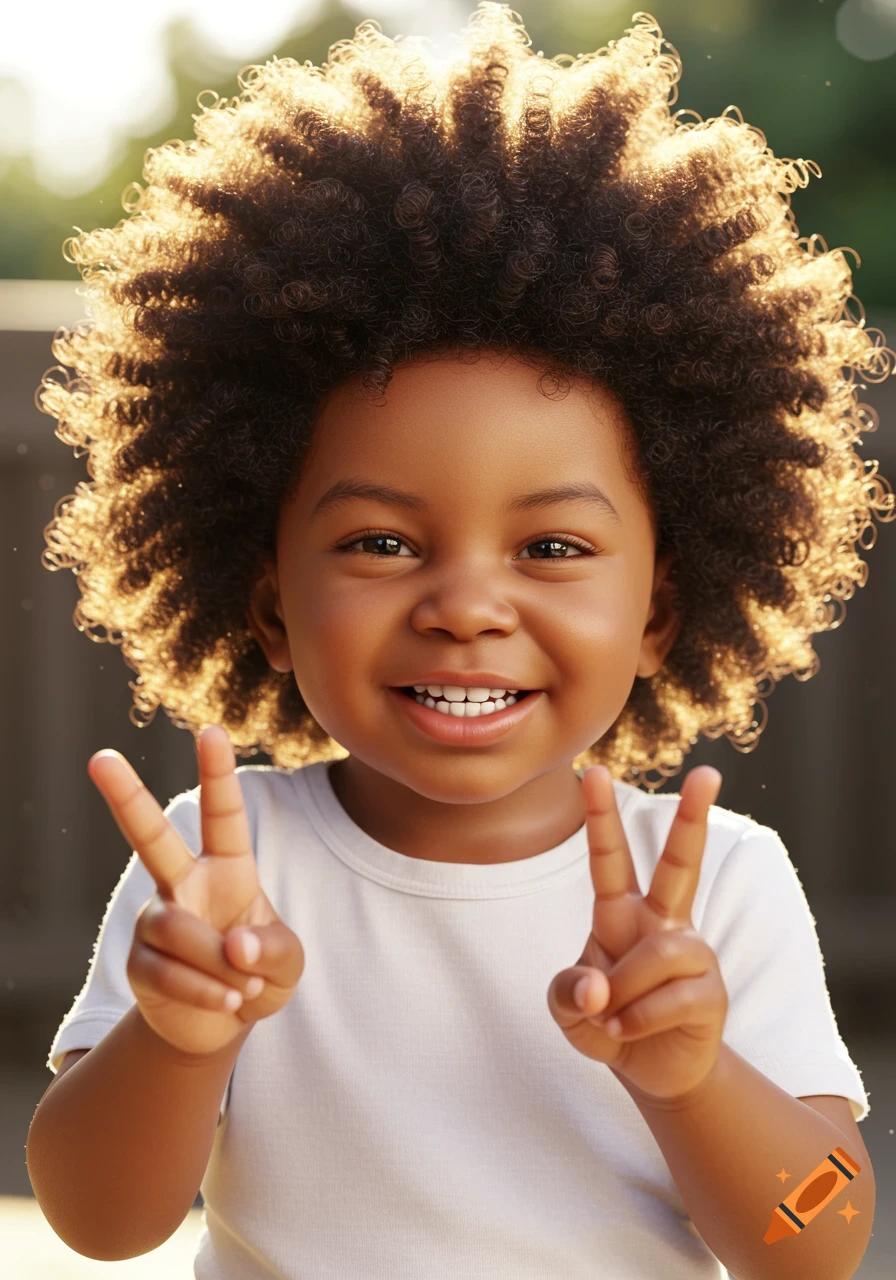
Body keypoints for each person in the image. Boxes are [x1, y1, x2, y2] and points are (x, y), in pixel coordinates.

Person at [26, 5, 889, 1277]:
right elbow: (100, 1224)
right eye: (381, 543)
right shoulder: (226, 874)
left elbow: (820, 1239)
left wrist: (692, 1074)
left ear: (659, 611)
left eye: (549, 548)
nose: (464, 605)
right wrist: (179, 1028)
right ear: (267, 603)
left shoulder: (716, 889)